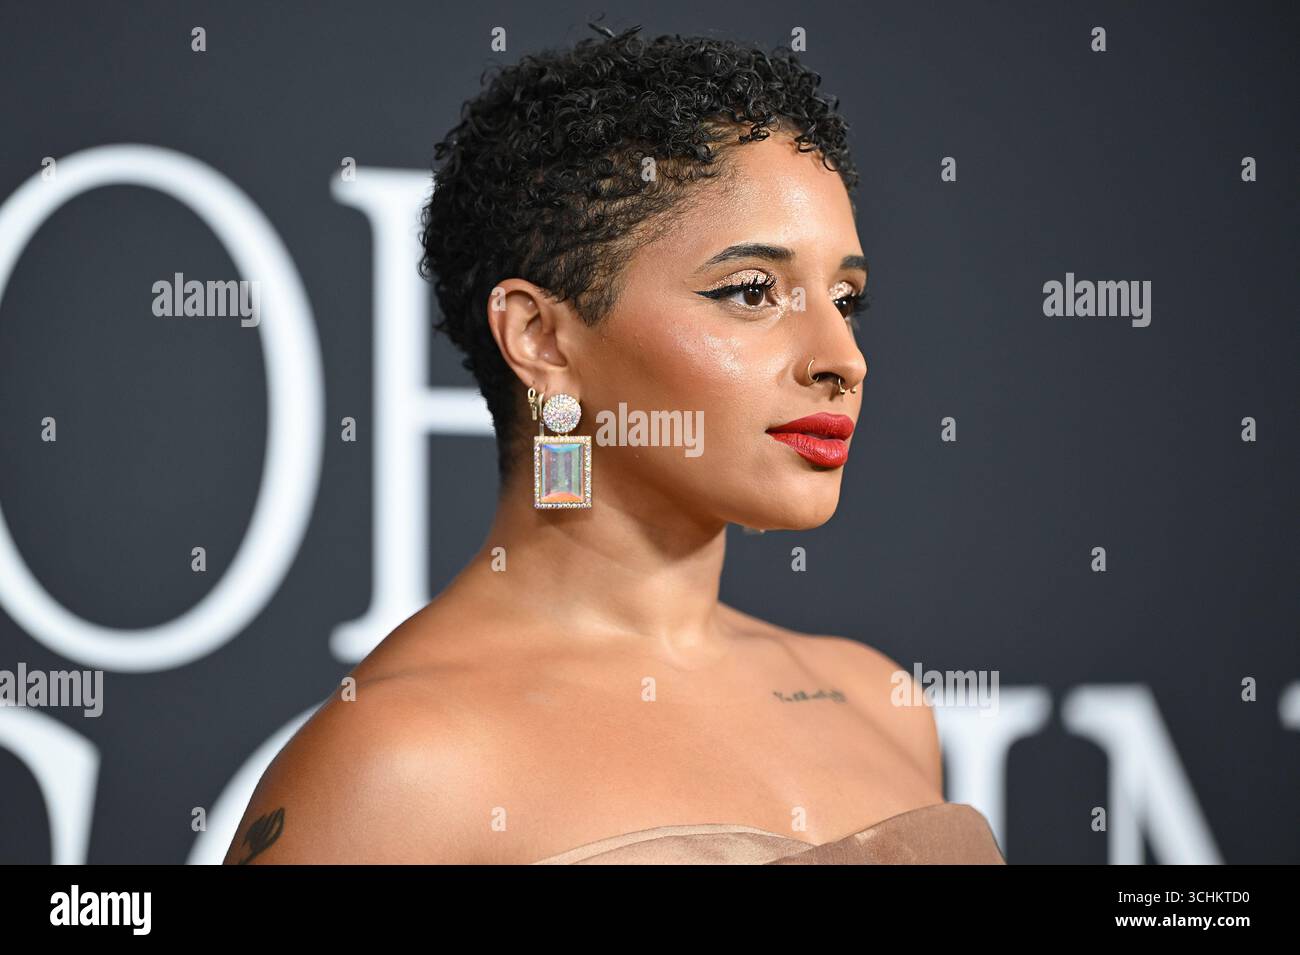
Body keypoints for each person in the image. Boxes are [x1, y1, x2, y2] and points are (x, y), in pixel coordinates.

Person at [223, 23, 1004, 865]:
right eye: (751, 291)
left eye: (845, 297)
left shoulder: (879, 702)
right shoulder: (397, 766)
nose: (841, 359)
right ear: (542, 339)